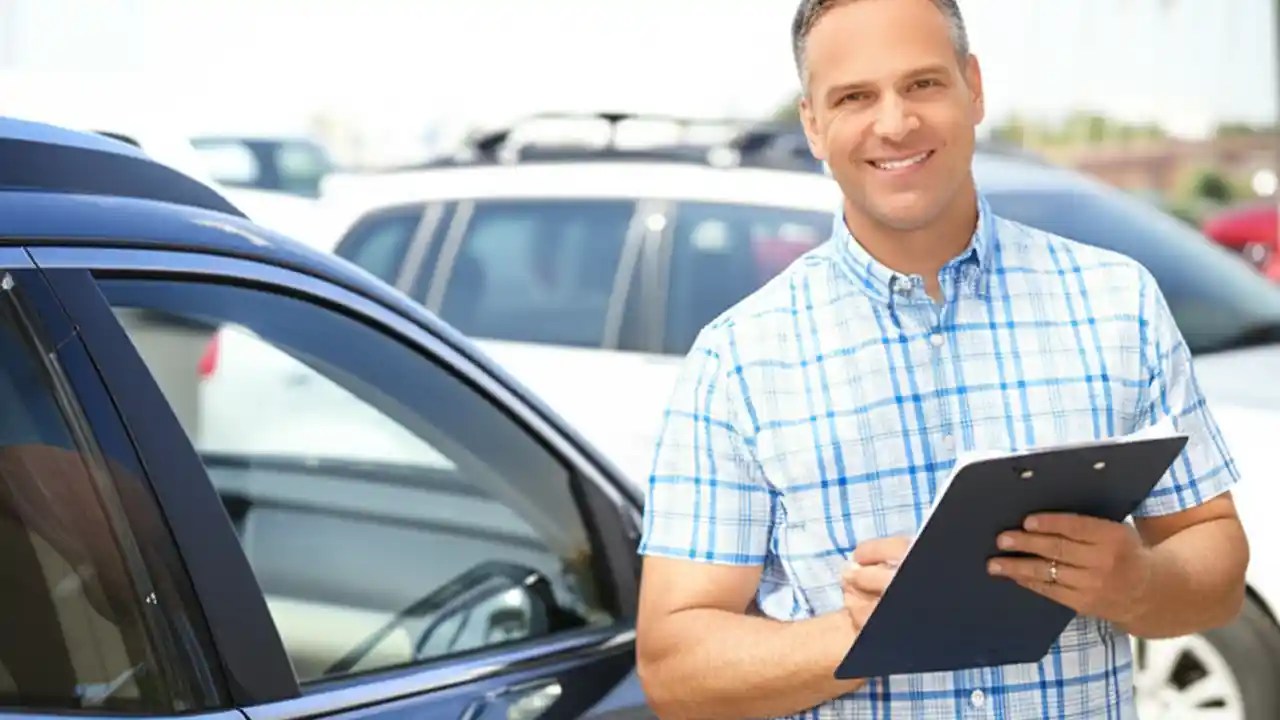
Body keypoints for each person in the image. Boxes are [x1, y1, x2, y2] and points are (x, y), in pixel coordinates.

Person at [633, 0, 1250, 717]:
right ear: (813, 124)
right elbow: (675, 669)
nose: (894, 122)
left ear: (974, 87)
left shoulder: (1117, 302)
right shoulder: (738, 360)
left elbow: (1218, 563)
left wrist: (1137, 581)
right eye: (855, 96)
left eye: (922, 84)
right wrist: (860, 635)